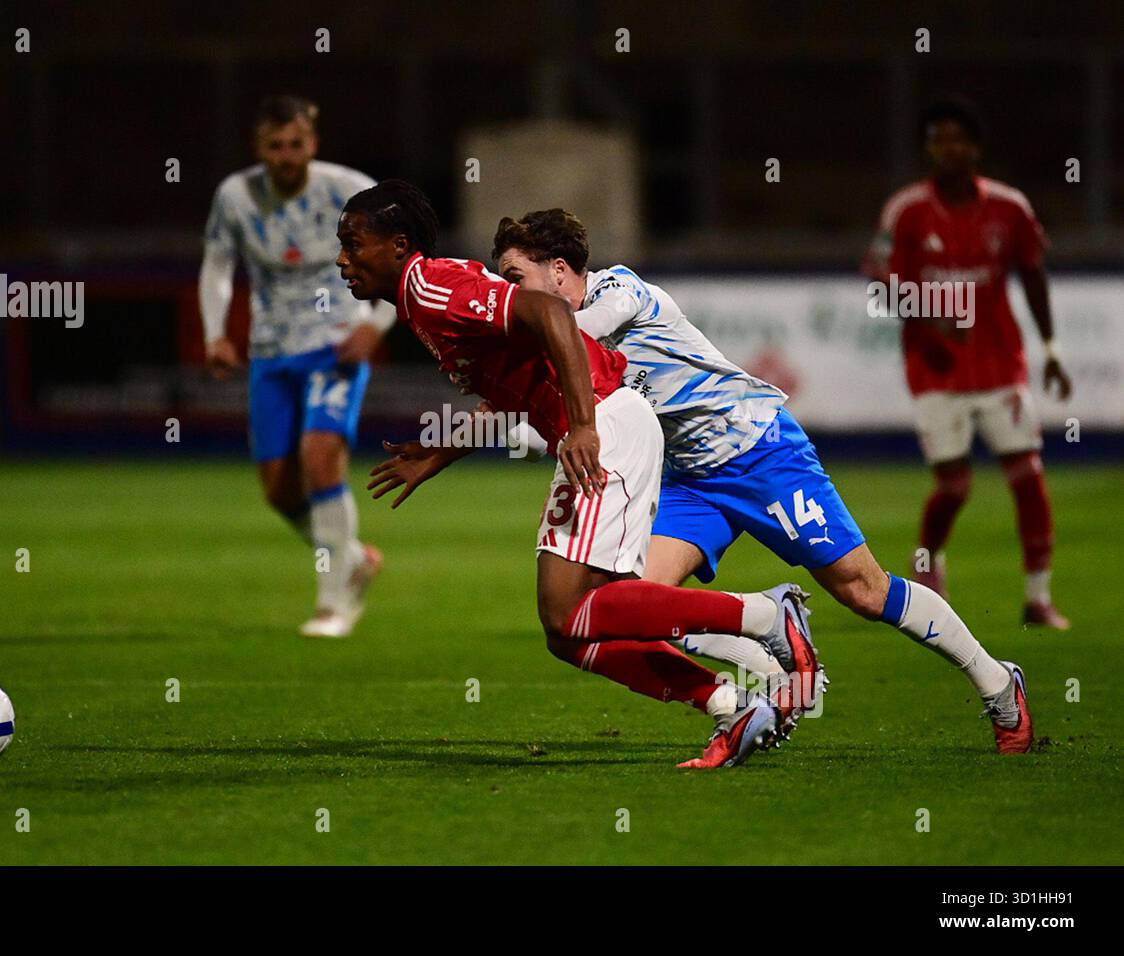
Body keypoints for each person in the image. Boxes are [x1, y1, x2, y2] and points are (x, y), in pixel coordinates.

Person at [490, 207, 1032, 754]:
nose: (510, 296)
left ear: (559, 271)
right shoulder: (560, 348)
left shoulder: (621, 290)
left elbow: (583, 329)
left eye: (515, 280)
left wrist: (505, 330)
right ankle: (767, 669)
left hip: (761, 453)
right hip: (690, 481)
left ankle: (997, 683)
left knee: (865, 592)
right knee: (632, 607)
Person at [340, 180, 819, 769]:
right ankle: (730, 704)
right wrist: (437, 453)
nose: (342, 259)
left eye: (352, 243)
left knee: (568, 608)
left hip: (605, 424)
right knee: (569, 632)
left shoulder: (431, 287)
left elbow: (547, 313)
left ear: (397, 245)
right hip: (603, 424)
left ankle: (767, 616)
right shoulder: (421, 302)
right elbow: (513, 383)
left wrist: (584, 425)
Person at [864, 95, 1072, 629]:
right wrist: (935, 313)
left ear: (976, 148)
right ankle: (927, 564)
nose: (948, 148)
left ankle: (1039, 598)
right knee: (955, 486)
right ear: (929, 148)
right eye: (938, 139)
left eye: (959, 138)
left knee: (1028, 474)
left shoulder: (1009, 207)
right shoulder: (907, 210)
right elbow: (880, 285)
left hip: (1001, 363)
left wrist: (1050, 349)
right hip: (935, 367)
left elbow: (1033, 273)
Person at [199, 94, 391, 638]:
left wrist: (374, 325)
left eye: (296, 144)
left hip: (335, 346)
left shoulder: (349, 190)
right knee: (279, 491)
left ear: (313, 144)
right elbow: (217, 265)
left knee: (320, 454)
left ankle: (333, 604)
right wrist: (215, 333)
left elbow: (403, 257)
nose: (286, 156)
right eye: (275, 145)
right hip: (271, 351)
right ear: (259, 147)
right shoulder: (236, 196)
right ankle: (351, 557)